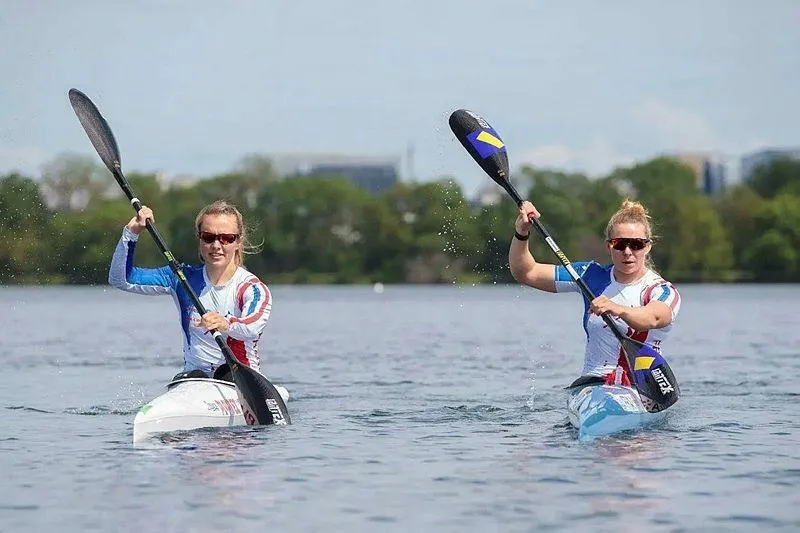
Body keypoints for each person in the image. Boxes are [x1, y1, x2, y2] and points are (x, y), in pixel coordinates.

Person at [508, 199, 681, 384]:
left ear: (648, 246)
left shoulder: (662, 290)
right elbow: (526, 272)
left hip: (640, 387)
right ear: (609, 246)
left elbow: (654, 317)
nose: (628, 251)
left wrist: (617, 308)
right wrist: (522, 232)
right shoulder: (589, 275)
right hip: (593, 386)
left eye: (636, 244)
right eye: (619, 244)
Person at [109, 200, 271, 381]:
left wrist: (225, 323)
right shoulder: (181, 278)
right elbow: (121, 279)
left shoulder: (253, 289)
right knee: (192, 376)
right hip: (195, 380)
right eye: (208, 237)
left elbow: (252, 327)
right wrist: (131, 233)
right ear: (199, 239)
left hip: (241, 379)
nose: (216, 245)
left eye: (226, 238)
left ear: (238, 241)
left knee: (226, 374)